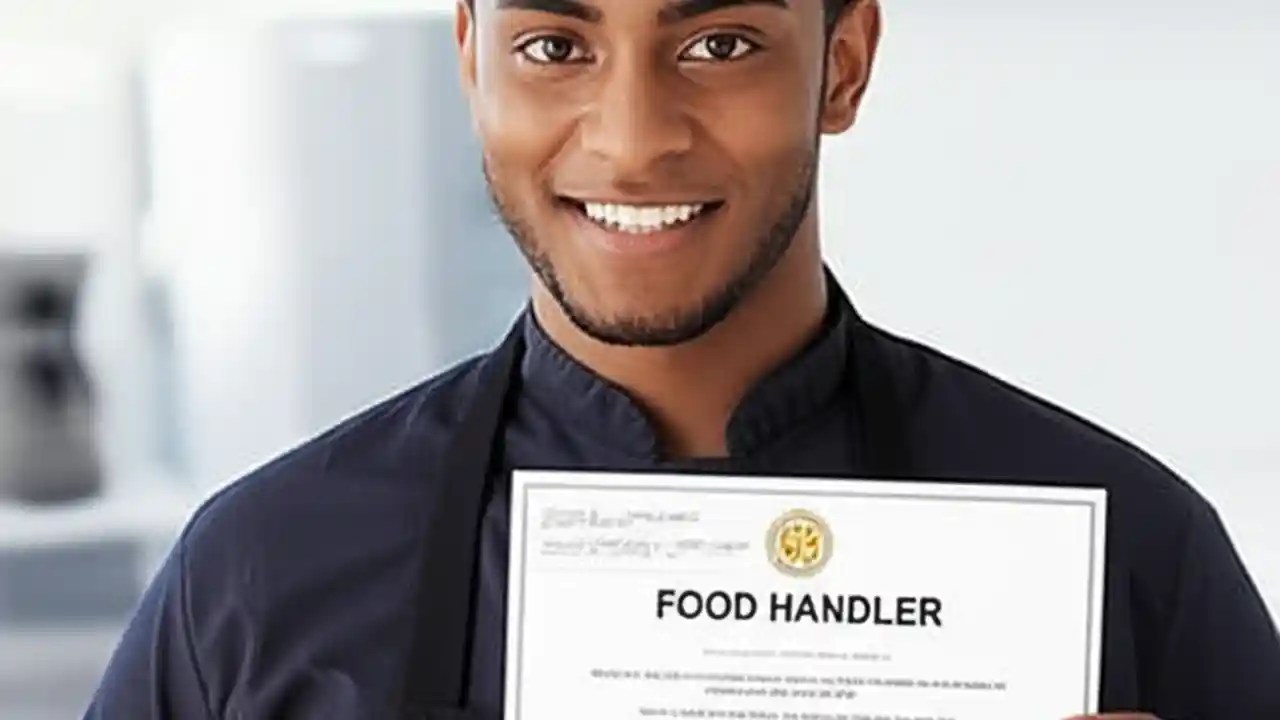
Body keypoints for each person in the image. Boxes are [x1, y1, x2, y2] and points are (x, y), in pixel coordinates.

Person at [85, 0, 1280, 718]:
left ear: (843, 61)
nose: (633, 138)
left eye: (716, 42)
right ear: (471, 58)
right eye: (555, 45)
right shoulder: (256, 576)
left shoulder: (1127, 547)